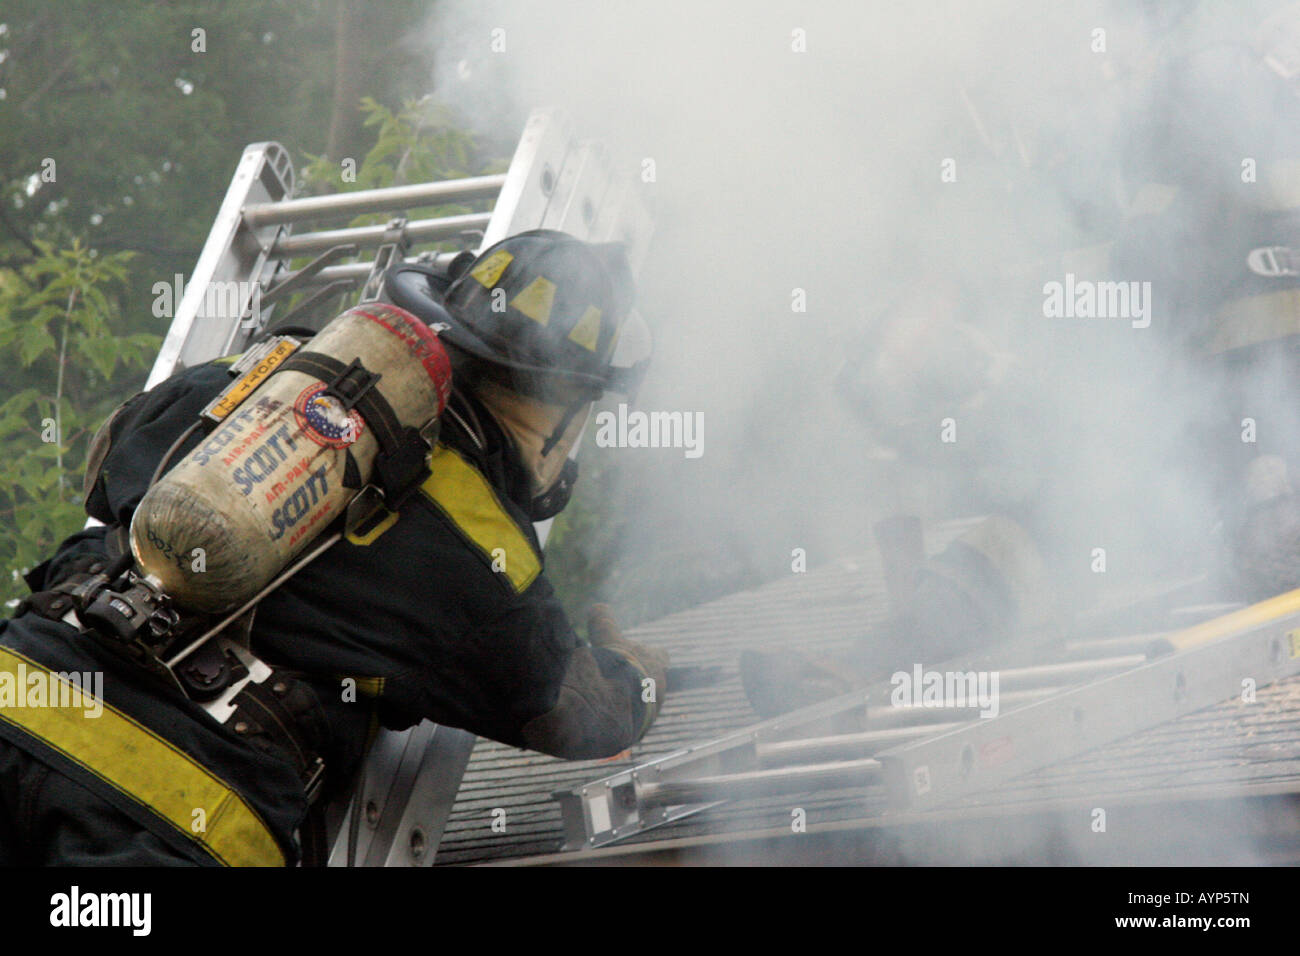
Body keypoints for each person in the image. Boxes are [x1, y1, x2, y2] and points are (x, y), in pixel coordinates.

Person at [0, 229, 667, 866]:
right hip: (167, 813)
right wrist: (637, 679)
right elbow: (571, 714)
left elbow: (110, 459)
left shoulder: (269, 379)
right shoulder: (487, 554)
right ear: (565, 405)